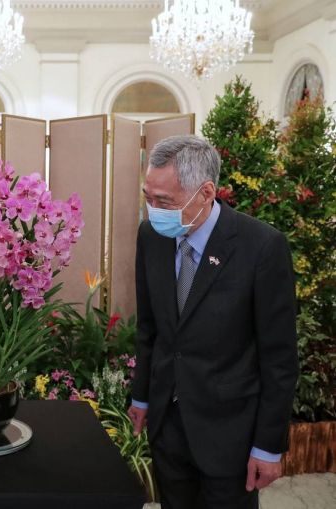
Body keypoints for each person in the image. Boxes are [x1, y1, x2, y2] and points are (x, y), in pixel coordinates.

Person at [127, 135, 298, 509]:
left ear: (206, 193)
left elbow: (279, 358)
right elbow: (149, 328)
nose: (154, 210)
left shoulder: (262, 248)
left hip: (230, 436)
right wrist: (141, 396)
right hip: (168, 429)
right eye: (148, 197)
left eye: (165, 201)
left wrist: (268, 447)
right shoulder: (151, 236)